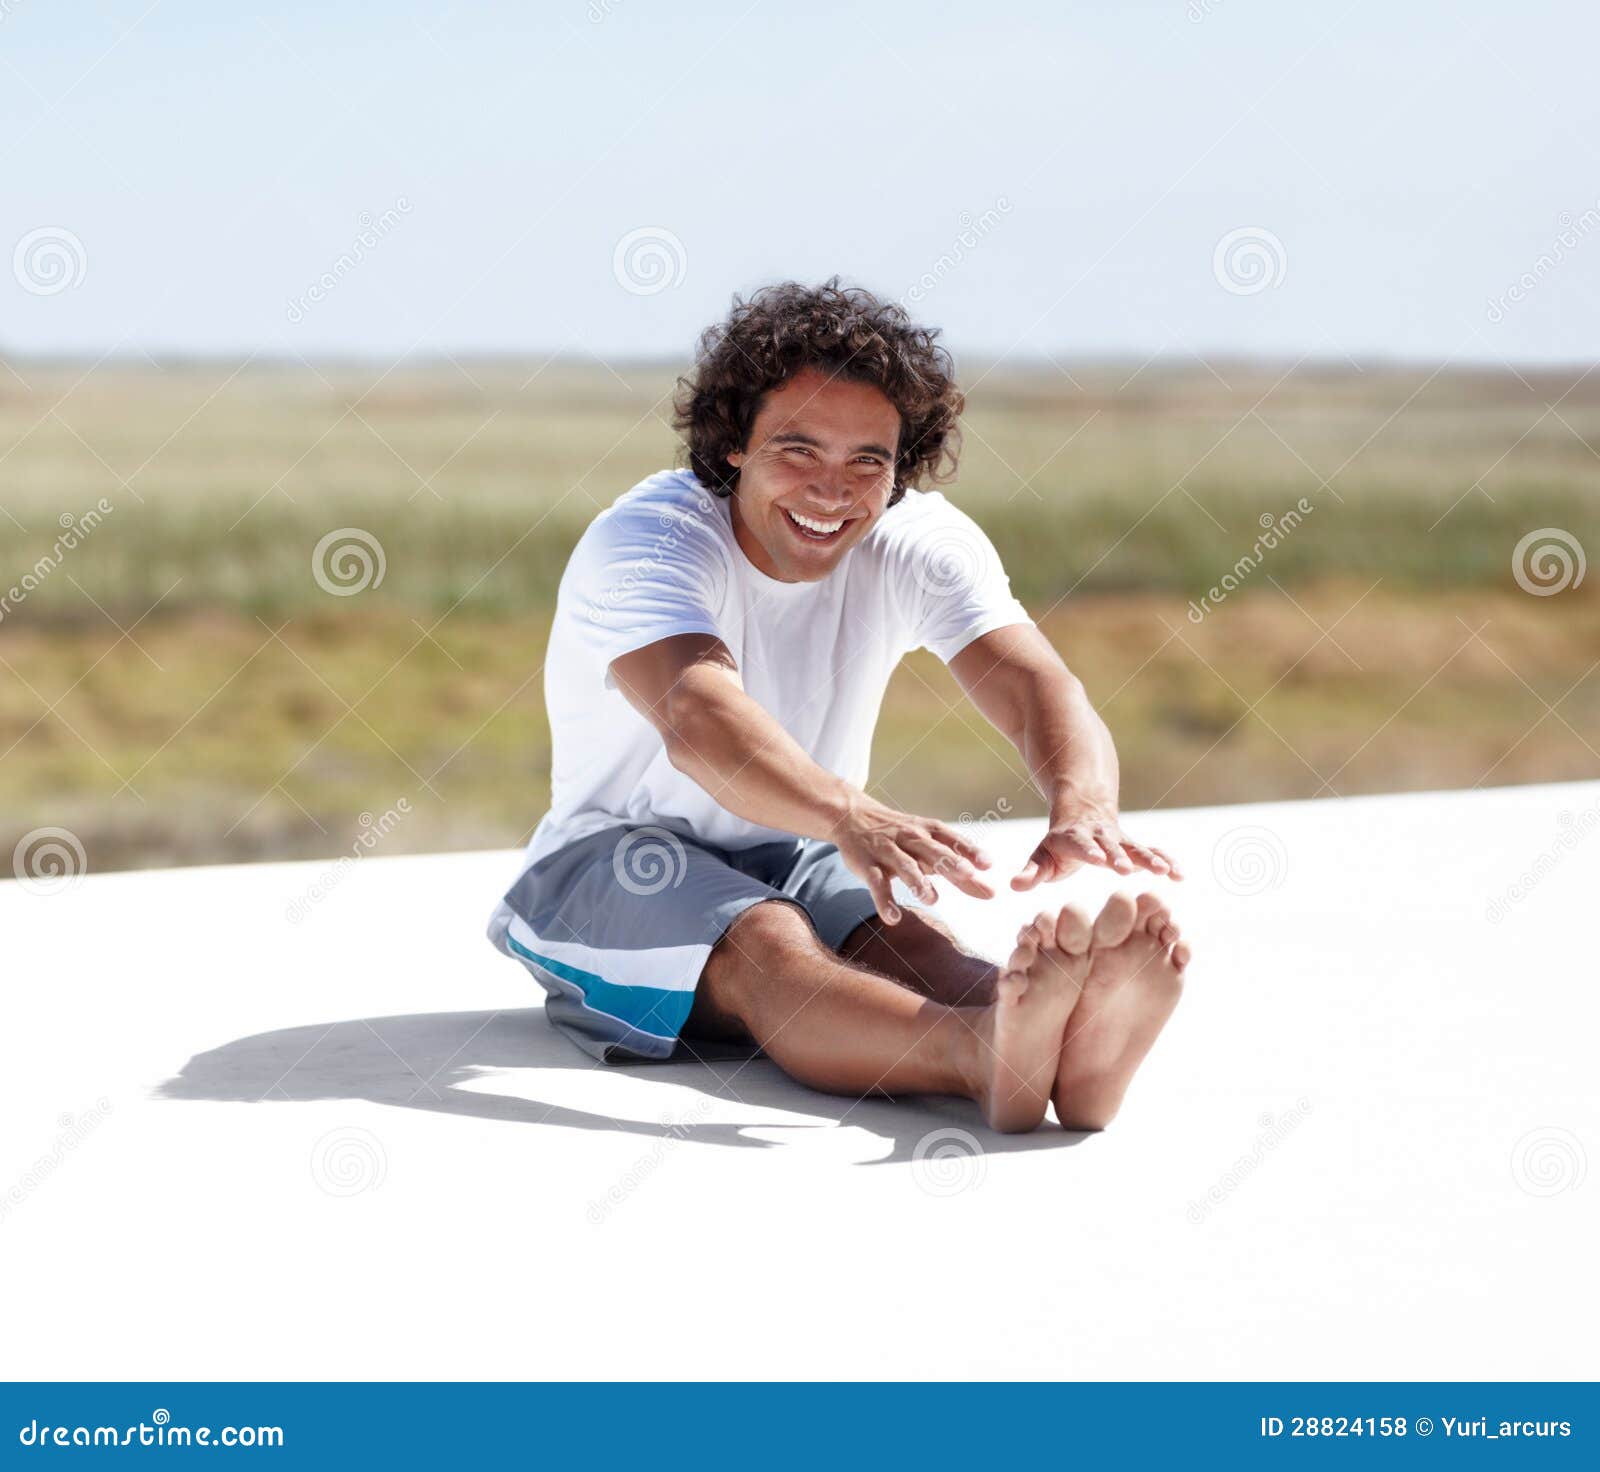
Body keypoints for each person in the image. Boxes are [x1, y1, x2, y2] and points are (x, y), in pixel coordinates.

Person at [486, 279, 1190, 1133]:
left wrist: (1085, 803)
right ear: (733, 444)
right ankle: (981, 1055)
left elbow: (1036, 684)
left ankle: (1059, 1040)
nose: (834, 492)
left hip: (798, 840)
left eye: (868, 461)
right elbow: (698, 720)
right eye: (798, 450)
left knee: (913, 945)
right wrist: (849, 813)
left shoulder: (917, 540)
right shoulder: (649, 542)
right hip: (608, 860)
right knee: (768, 940)